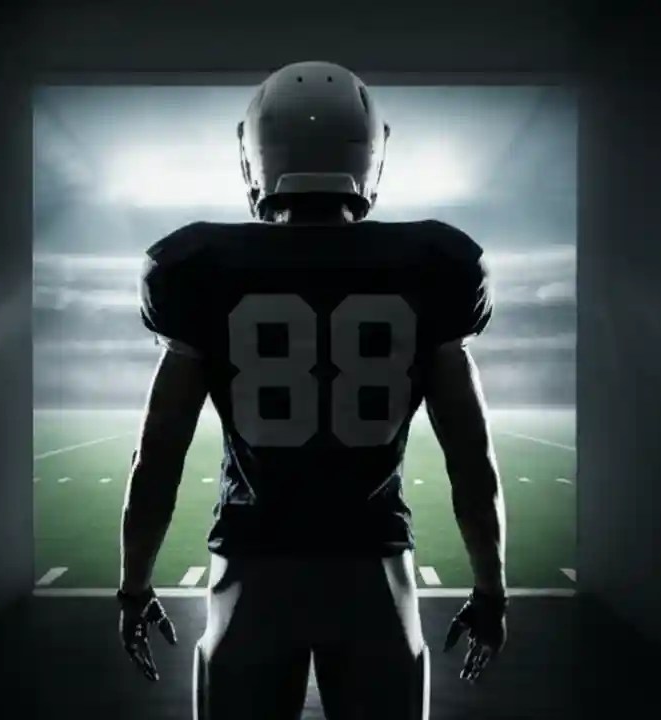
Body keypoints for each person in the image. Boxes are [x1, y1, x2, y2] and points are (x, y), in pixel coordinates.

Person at [116, 60, 508, 720]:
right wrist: (491, 589)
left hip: (251, 573)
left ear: (256, 156)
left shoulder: (200, 268)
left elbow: (156, 459)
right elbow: (472, 461)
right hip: (375, 572)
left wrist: (133, 587)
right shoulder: (433, 265)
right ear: (371, 155)